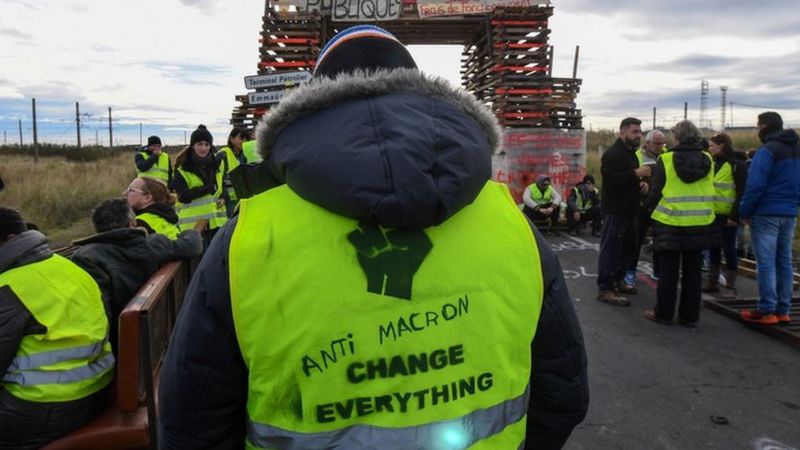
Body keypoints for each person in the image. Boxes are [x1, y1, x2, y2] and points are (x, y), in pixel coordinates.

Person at [158, 25, 588, 450]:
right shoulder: (510, 221)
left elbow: (192, 420)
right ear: (421, 91)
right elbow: (562, 391)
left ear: (314, 101)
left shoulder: (250, 236)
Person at [0, 207, 114, 449]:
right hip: (96, 390)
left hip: (40, 407)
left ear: (10, 240)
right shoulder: (68, 267)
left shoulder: (9, 287)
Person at [70, 198, 202, 355]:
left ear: (98, 227)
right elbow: (193, 245)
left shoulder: (87, 258)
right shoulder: (154, 245)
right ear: (132, 223)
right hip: (154, 337)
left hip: (120, 347)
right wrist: (189, 232)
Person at [642, 121, 720, 326]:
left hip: (671, 221)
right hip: (700, 221)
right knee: (693, 271)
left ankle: (664, 313)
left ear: (677, 137)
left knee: (668, 271)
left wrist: (647, 211)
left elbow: (657, 191)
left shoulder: (666, 159)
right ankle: (689, 316)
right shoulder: (707, 159)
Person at [738, 112, 800, 325]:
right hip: (789, 212)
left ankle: (767, 310)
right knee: (785, 261)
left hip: (766, 212)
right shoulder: (797, 148)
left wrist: (745, 211)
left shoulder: (767, 150)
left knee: (766, 262)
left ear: (764, 126)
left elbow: (755, 184)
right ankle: (783, 310)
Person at [596, 117, 651, 306]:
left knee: (628, 249)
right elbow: (611, 180)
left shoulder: (631, 155)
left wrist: (641, 186)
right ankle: (605, 288)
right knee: (611, 250)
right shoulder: (613, 154)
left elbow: (629, 181)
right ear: (622, 132)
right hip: (616, 210)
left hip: (630, 209)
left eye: (640, 132)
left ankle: (618, 280)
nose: (638, 135)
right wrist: (635, 174)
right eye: (634, 132)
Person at [701, 133, 747, 298]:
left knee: (729, 249)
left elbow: (741, 192)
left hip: (728, 216)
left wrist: (734, 215)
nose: (710, 148)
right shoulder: (713, 163)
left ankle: (730, 286)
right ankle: (712, 282)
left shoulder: (736, 165)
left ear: (722, 145)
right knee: (713, 247)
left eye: (712, 145)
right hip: (712, 214)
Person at [625, 129, 666, 287]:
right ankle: (630, 272)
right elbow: (630, 176)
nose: (659, 147)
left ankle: (658, 270)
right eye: (656, 144)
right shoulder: (637, 156)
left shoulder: (666, 156)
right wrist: (639, 184)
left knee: (660, 241)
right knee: (636, 241)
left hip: (661, 206)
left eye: (661, 144)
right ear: (647, 143)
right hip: (642, 205)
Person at [172, 125, 227, 242]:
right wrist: (206, 189)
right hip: (193, 226)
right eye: (200, 144)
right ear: (193, 146)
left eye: (207, 144)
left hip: (217, 223)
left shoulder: (217, 164)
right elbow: (183, 196)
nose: (204, 148)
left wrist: (224, 196)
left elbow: (221, 186)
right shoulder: (182, 169)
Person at [217, 128, 249, 217]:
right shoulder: (223, 155)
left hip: (240, 199)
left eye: (246, 139)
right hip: (226, 201)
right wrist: (222, 196)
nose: (244, 142)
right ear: (231, 139)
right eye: (241, 138)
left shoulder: (244, 156)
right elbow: (217, 178)